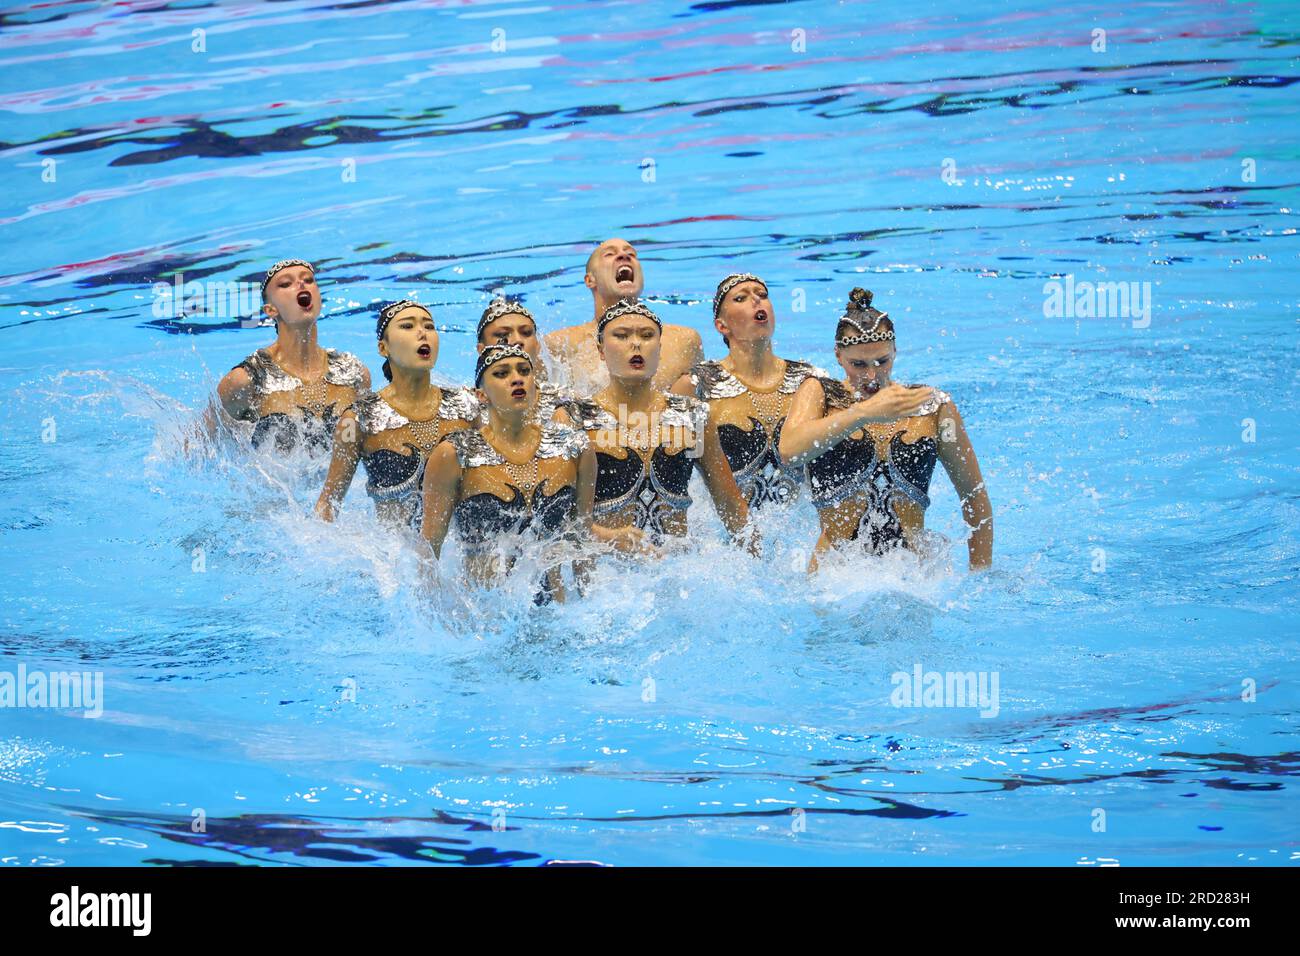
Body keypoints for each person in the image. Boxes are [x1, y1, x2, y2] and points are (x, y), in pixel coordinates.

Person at [779, 288, 993, 571]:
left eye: (882, 361)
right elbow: (790, 451)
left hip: (914, 577)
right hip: (833, 581)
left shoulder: (933, 407)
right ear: (838, 356)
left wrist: (981, 577)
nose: (871, 375)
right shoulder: (819, 393)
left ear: (895, 351)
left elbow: (974, 494)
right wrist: (864, 413)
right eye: (858, 364)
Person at [554, 299, 755, 554]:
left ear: (659, 349)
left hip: (676, 573)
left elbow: (729, 504)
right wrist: (607, 538)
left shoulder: (692, 416)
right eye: (622, 335)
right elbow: (557, 518)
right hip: (606, 578)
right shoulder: (574, 419)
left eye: (647, 336)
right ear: (601, 349)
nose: (636, 343)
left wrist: (760, 566)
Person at [420, 344, 596, 600]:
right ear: (481, 395)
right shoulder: (454, 454)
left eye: (524, 371)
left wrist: (588, 604)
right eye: (502, 374)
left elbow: (582, 537)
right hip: (485, 621)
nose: (516, 378)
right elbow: (429, 548)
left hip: (557, 619)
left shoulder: (574, 448)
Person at [315, 300, 479, 527]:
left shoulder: (467, 407)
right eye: (407, 326)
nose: (422, 332)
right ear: (383, 348)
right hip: (395, 558)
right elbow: (328, 503)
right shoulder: (356, 421)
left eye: (429, 326)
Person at [672, 273, 826, 509]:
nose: (756, 300)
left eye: (762, 295)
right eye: (741, 298)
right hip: (724, 534)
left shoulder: (810, 380)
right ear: (721, 325)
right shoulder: (696, 385)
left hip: (799, 531)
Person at [215, 259, 370, 454]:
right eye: (285, 284)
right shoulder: (245, 380)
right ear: (271, 310)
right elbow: (200, 448)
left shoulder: (354, 374)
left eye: (308, 280)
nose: (301, 284)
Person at [543, 238, 703, 395]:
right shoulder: (560, 344)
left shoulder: (684, 341)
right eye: (609, 254)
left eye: (631, 254)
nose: (624, 256)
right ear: (590, 280)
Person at [475, 296, 581, 424]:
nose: (517, 340)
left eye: (525, 332)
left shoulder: (565, 405)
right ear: (482, 350)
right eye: (503, 335)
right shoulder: (467, 409)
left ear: (537, 347)